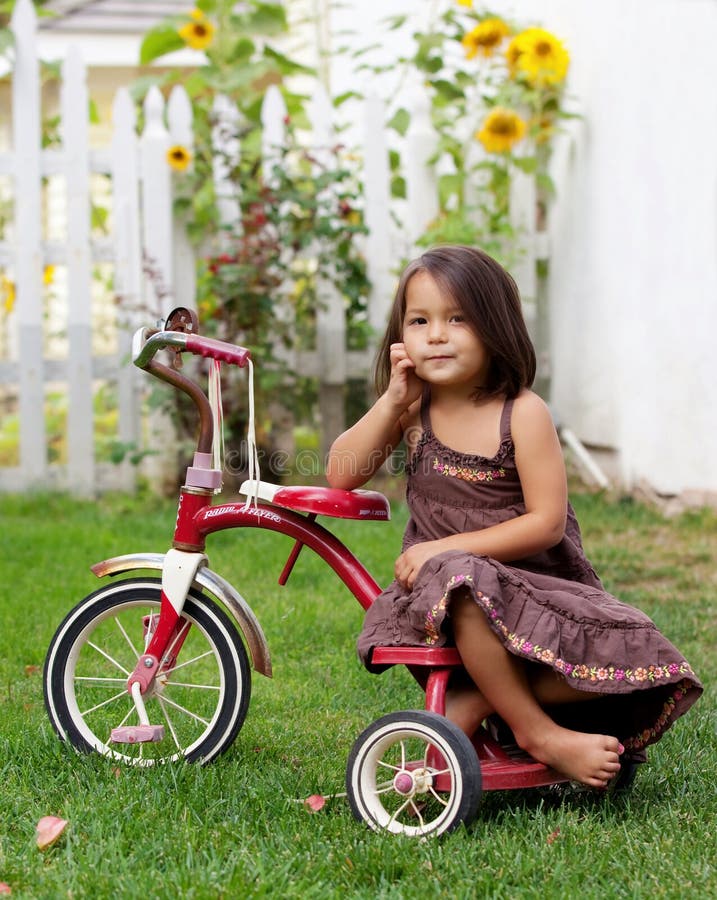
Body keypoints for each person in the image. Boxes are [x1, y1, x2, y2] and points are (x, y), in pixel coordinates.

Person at [326, 244, 702, 789]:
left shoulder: (521, 412)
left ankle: (476, 697)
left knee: (642, 653)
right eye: (419, 320)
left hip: (534, 587)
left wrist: (444, 548)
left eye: (457, 318)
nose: (436, 334)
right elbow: (341, 473)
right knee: (463, 581)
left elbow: (546, 523)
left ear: (494, 326)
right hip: (446, 598)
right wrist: (390, 401)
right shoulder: (414, 409)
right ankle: (537, 733)